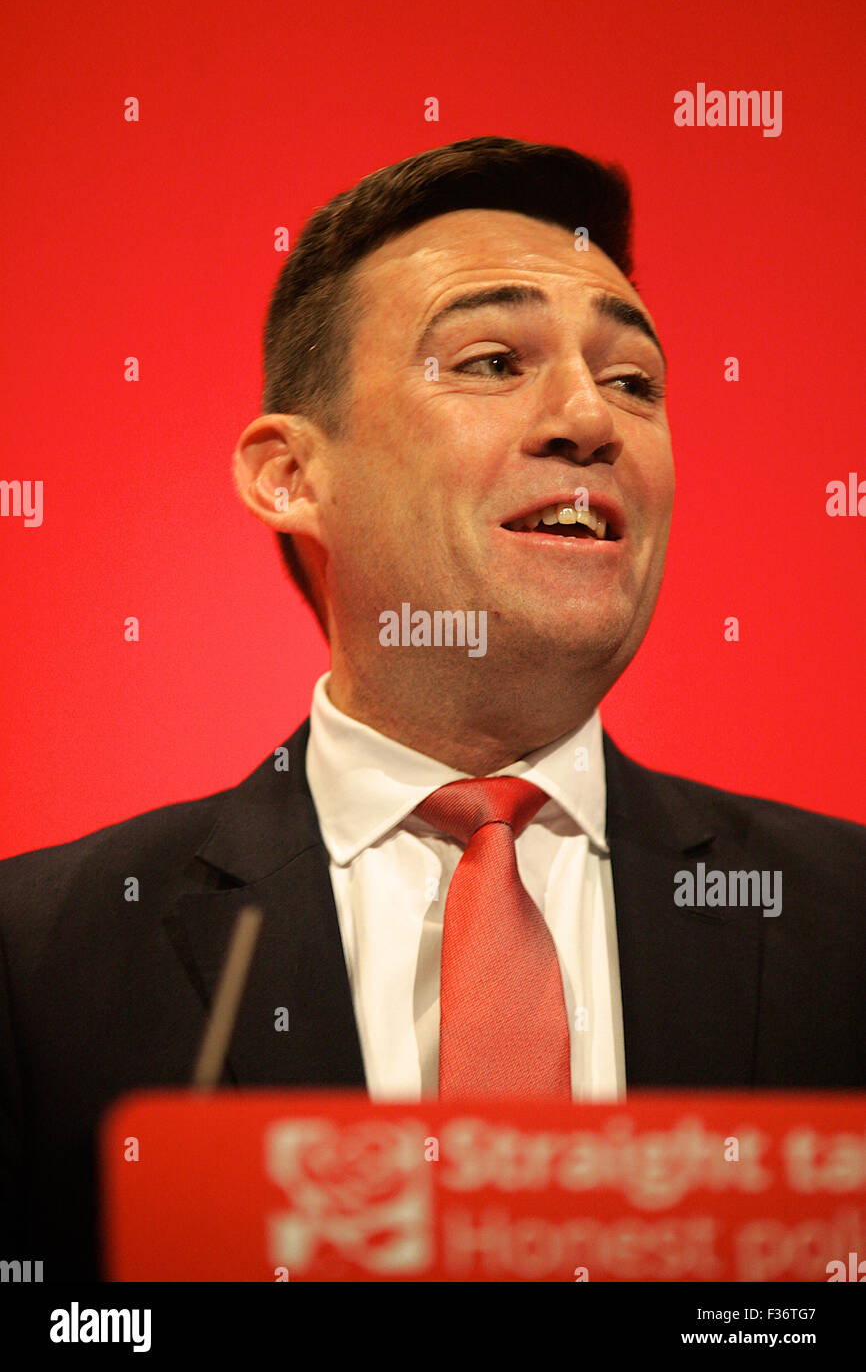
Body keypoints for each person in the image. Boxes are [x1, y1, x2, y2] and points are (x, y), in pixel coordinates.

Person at [1, 136, 864, 1281]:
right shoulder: (37, 957)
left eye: (632, 381)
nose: (587, 421)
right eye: (493, 360)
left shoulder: (843, 925)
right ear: (291, 476)